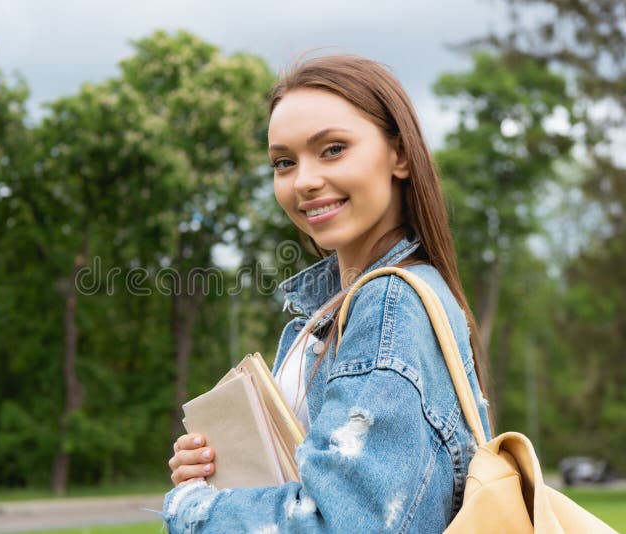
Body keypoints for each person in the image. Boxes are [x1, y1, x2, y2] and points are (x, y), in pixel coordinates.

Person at [163, 54, 493, 533]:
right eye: (284, 162)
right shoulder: (332, 312)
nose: (305, 180)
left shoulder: (391, 306)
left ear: (399, 155)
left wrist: (191, 509)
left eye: (333, 149)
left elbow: (339, 524)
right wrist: (213, 474)